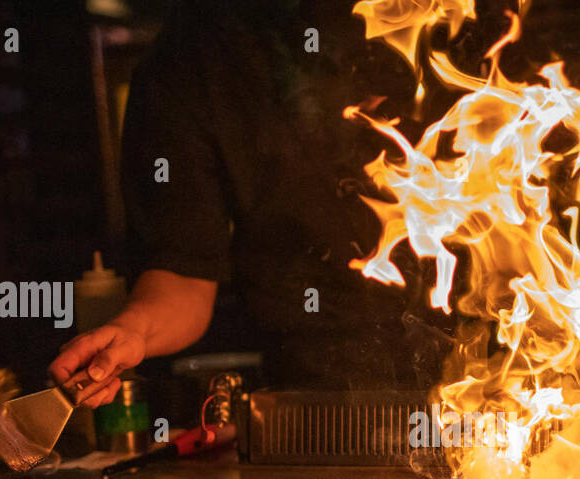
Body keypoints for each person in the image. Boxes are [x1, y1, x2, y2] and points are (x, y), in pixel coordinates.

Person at [50, 0, 450, 407]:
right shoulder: (194, 54)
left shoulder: (463, 19)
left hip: (481, 379)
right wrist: (133, 330)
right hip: (313, 400)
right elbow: (184, 274)